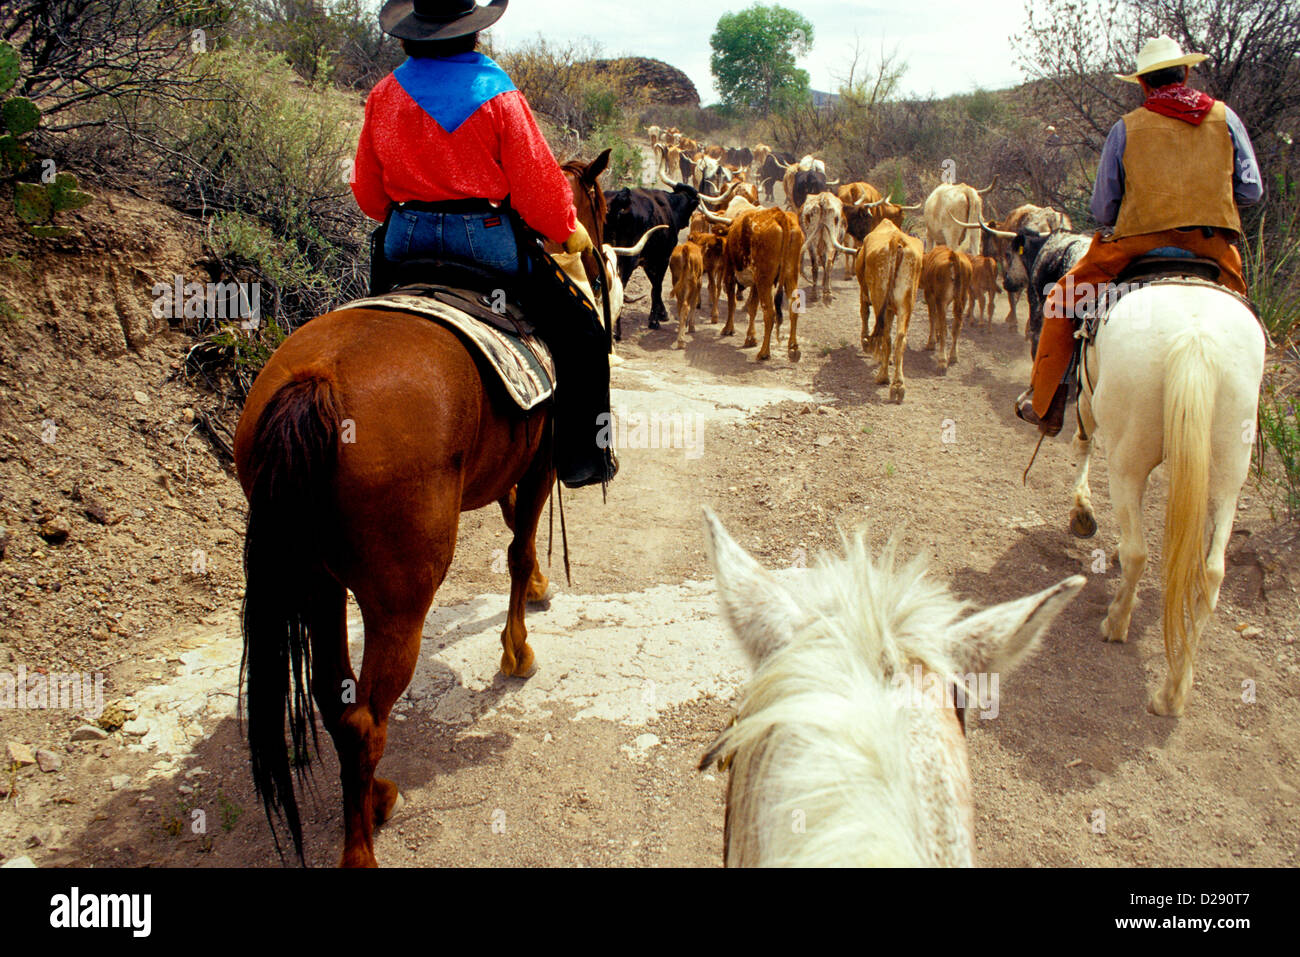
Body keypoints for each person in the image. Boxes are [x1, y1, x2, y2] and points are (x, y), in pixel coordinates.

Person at [350, 0, 616, 488]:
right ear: (473, 32)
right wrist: (565, 227)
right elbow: (538, 193)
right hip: (486, 248)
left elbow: (369, 196)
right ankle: (584, 458)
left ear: (411, 34)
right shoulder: (497, 94)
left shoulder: (384, 94)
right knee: (584, 334)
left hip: (404, 243)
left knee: (362, 319)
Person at [1016, 35, 1263, 436]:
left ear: (1144, 84)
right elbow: (1252, 191)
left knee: (1062, 301)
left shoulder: (1126, 128)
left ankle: (1048, 405)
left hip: (1135, 247)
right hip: (1211, 248)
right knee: (1246, 312)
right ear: (1185, 73)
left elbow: (1102, 210)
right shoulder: (1226, 118)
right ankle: (1251, 409)